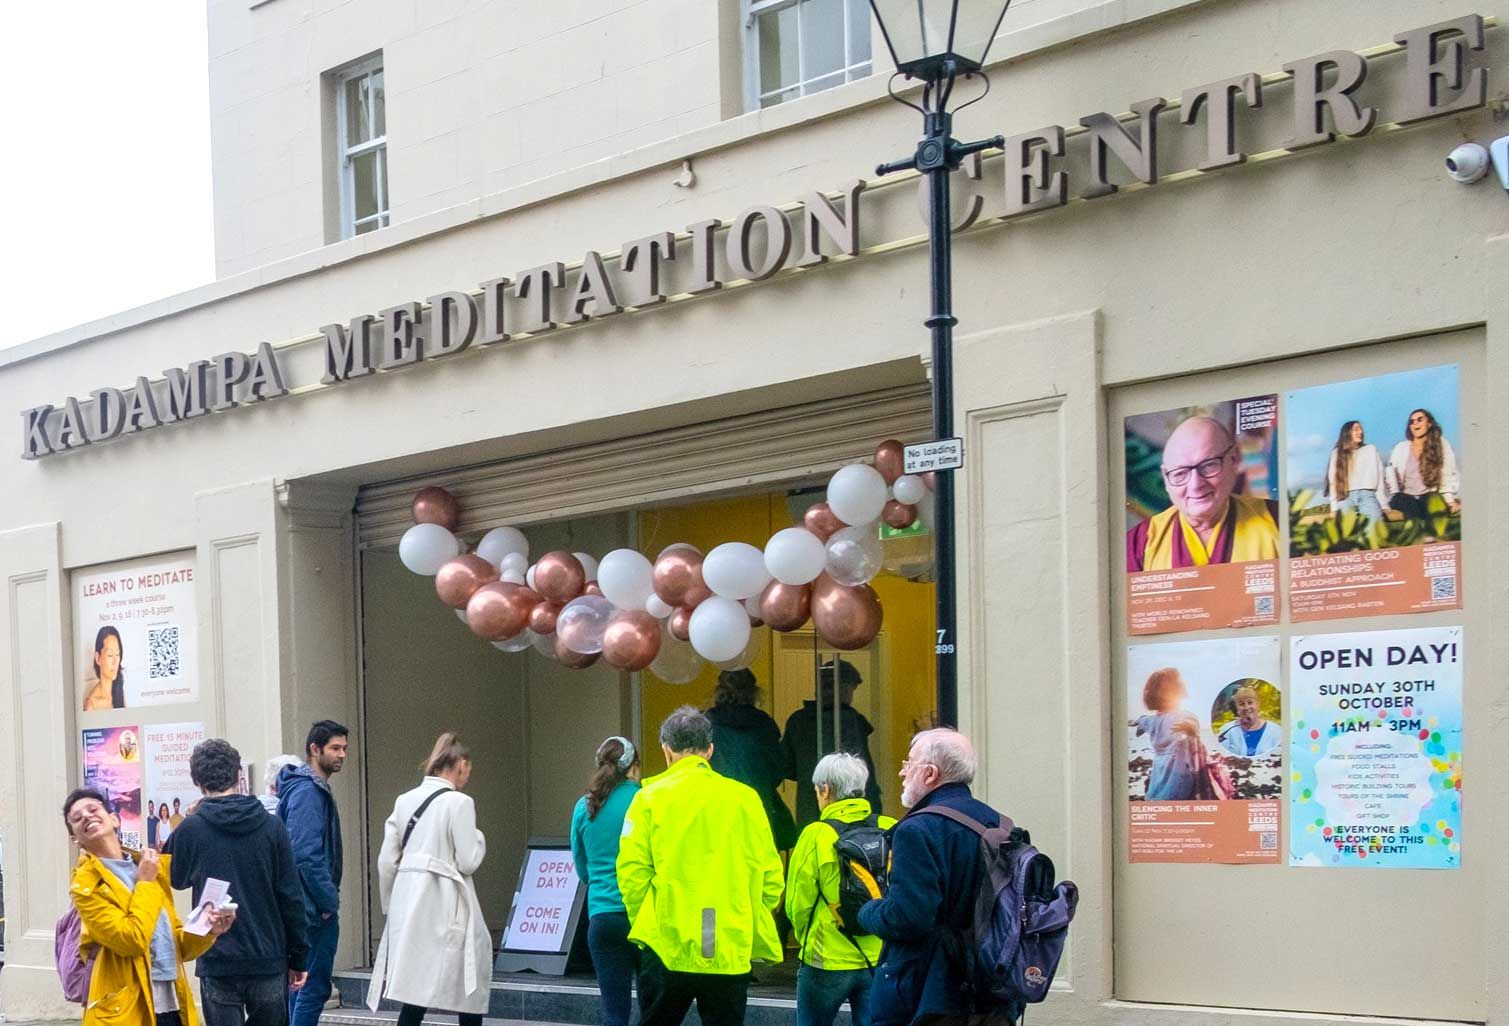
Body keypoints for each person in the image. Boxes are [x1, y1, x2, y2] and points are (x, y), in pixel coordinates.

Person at [617, 706, 784, 1026]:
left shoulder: (648, 799)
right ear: (710, 749)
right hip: (727, 942)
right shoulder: (745, 799)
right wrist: (753, 915)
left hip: (666, 942)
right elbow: (770, 873)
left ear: (666, 750)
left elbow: (631, 872)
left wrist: (647, 919)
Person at [856, 729, 1021, 1026]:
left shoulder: (916, 830)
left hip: (928, 993)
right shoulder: (999, 824)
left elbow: (909, 918)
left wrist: (868, 911)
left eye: (909, 764)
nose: (902, 772)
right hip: (990, 990)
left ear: (930, 774)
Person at [166, 738, 309, 1026]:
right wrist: (298, 957)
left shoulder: (192, 829)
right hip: (267, 955)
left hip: (216, 955)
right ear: (239, 775)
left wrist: (188, 823)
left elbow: (174, 878)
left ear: (197, 782)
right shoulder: (272, 826)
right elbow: (291, 896)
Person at [65, 786, 234, 1026]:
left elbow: (177, 946)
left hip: (173, 1002)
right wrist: (144, 883)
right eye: (77, 818)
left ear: (114, 819)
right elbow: (130, 940)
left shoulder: (147, 864)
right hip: (127, 1010)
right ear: (75, 838)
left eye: (93, 809)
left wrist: (209, 929)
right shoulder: (86, 886)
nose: (87, 817)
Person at [366, 733, 489, 1026]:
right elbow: (468, 861)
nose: (467, 777)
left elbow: (386, 862)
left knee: (415, 990)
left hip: (410, 903)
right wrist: (480, 839)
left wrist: (392, 907)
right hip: (447, 902)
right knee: (467, 986)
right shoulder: (459, 803)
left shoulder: (404, 800)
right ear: (459, 764)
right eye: (467, 770)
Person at [786, 754, 895, 1026]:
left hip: (826, 959)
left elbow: (798, 903)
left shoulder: (816, 835)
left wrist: (807, 939)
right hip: (880, 956)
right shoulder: (890, 827)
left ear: (825, 790)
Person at [1126, 415, 1279, 571]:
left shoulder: (1279, 520)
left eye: (1208, 466)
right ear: (1165, 478)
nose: (1195, 485)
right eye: (1180, 473)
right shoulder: (1138, 545)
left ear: (1234, 460)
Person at [278, 720, 349, 1026]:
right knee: (312, 987)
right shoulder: (308, 792)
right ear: (314, 749)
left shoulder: (307, 789)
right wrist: (328, 901)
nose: (342, 754)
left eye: (344, 748)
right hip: (312, 910)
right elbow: (305, 855)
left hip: (305, 906)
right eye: (335, 748)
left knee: (299, 986)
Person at [570, 736, 643, 1026]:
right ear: (634, 767)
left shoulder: (584, 806)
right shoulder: (644, 799)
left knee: (614, 1013)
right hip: (642, 916)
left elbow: (583, 870)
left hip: (602, 918)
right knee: (653, 1010)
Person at [782, 660, 882, 830]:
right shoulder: (851, 720)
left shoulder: (798, 720)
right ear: (842, 688)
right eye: (851, 689)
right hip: (854, 807)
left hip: (811, 802)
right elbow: (862, 769)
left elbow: (787, 767)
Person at [707, 670, 797, 852]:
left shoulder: (705, 724)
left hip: (715, 807)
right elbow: (778, 770)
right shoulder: (765, 724)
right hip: (759, 804)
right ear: (754, 693)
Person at [1134, 668, 1203, 801]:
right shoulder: (1184, 716)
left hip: (1157, 782)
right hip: (1178, 785)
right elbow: (1192, 725)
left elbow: (1142, 721)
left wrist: (1136, 722)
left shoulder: (1153, 721)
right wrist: (1191, 729)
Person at [1386, 408, 1461, 520]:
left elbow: (1449, 474)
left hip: (1429, 495)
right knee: (1409, 504)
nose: (1415, 423)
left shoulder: (1441, 444)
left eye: (1420, 419)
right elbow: (1390, 473)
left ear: (1429, 423)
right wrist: (1395, 493)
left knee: (1430, 503)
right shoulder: (1401, 448)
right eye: (1412, 422)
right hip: (1406, 496)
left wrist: (1449, 500)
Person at [1326, 420, 1389, 521]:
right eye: (1356, 429)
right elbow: (1333, 481)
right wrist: (1333, 508)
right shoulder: (1337, 453)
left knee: (1376, 525)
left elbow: (1380, 478)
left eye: (1361, 429)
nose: (1360, 432)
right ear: (1347, 433)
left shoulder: (1370, 449)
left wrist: (1383, 504)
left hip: (1368, 496)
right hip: (1345, 497)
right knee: (1346, 530)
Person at [1216, 685, 1281, 758]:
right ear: (1237, 708)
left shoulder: (1276, 731)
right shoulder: (1227, 730)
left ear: (1257, 704)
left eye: (1250, 702)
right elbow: (1221, 757)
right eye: (1241, 704)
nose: (1246, 707)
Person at [83, 625, 125, 711]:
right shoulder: (92, 705)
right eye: (110, 655)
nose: (115, 662)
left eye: (117, 654)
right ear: (98, 658)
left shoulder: (119, 692)